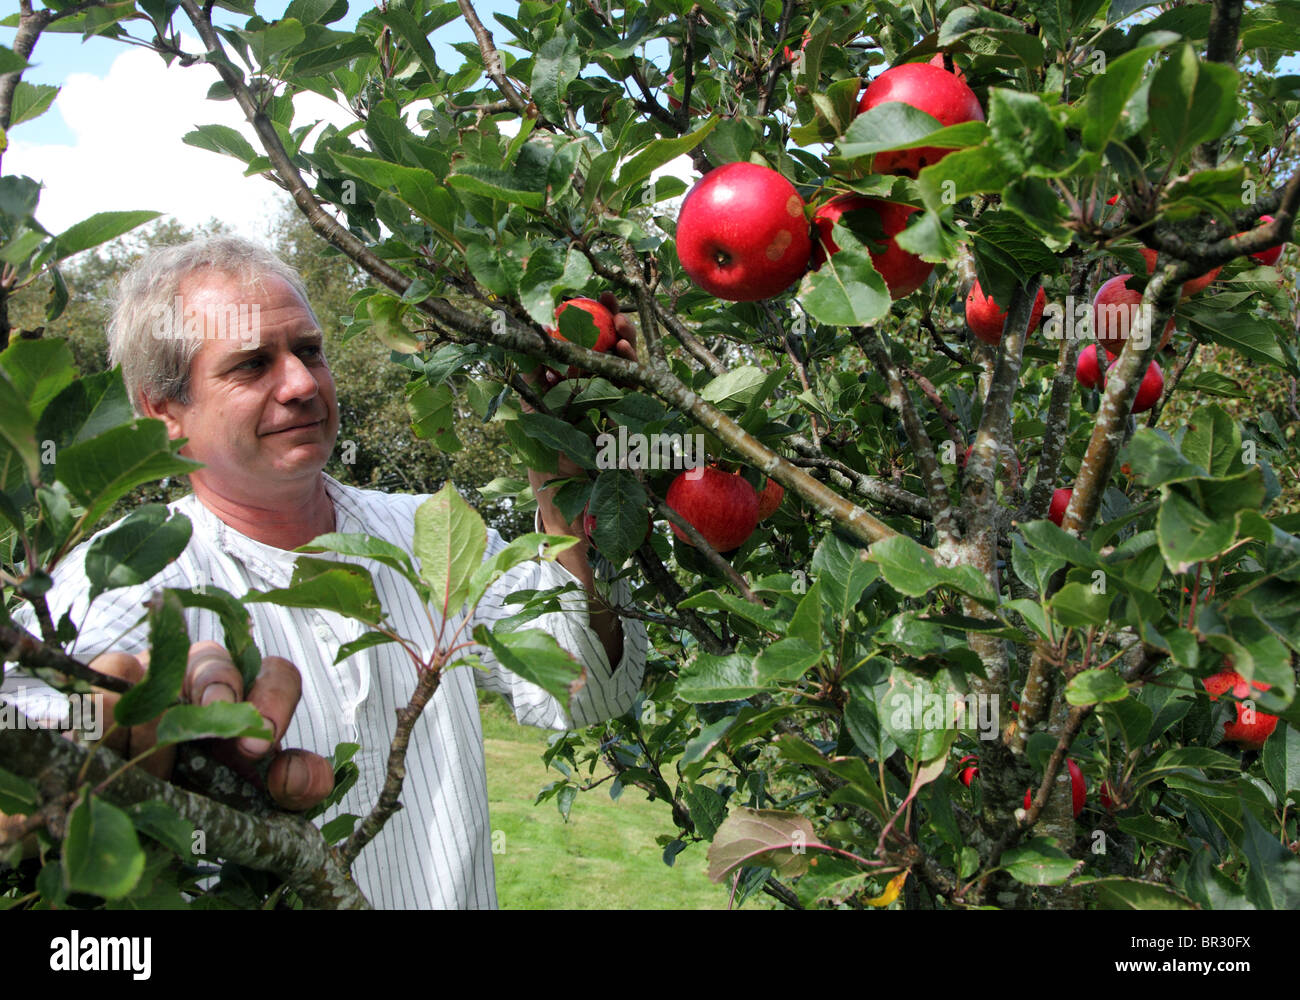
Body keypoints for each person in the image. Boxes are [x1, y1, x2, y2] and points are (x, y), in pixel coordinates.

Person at [0, 236, 649, 908]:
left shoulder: (432, 533)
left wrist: (563, 474)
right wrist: (104, 727)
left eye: (309, 351)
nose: (303, 384)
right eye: (253, 364)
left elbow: (585, 691)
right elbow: (21, 763)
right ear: (163, 412)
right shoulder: (120, 577)